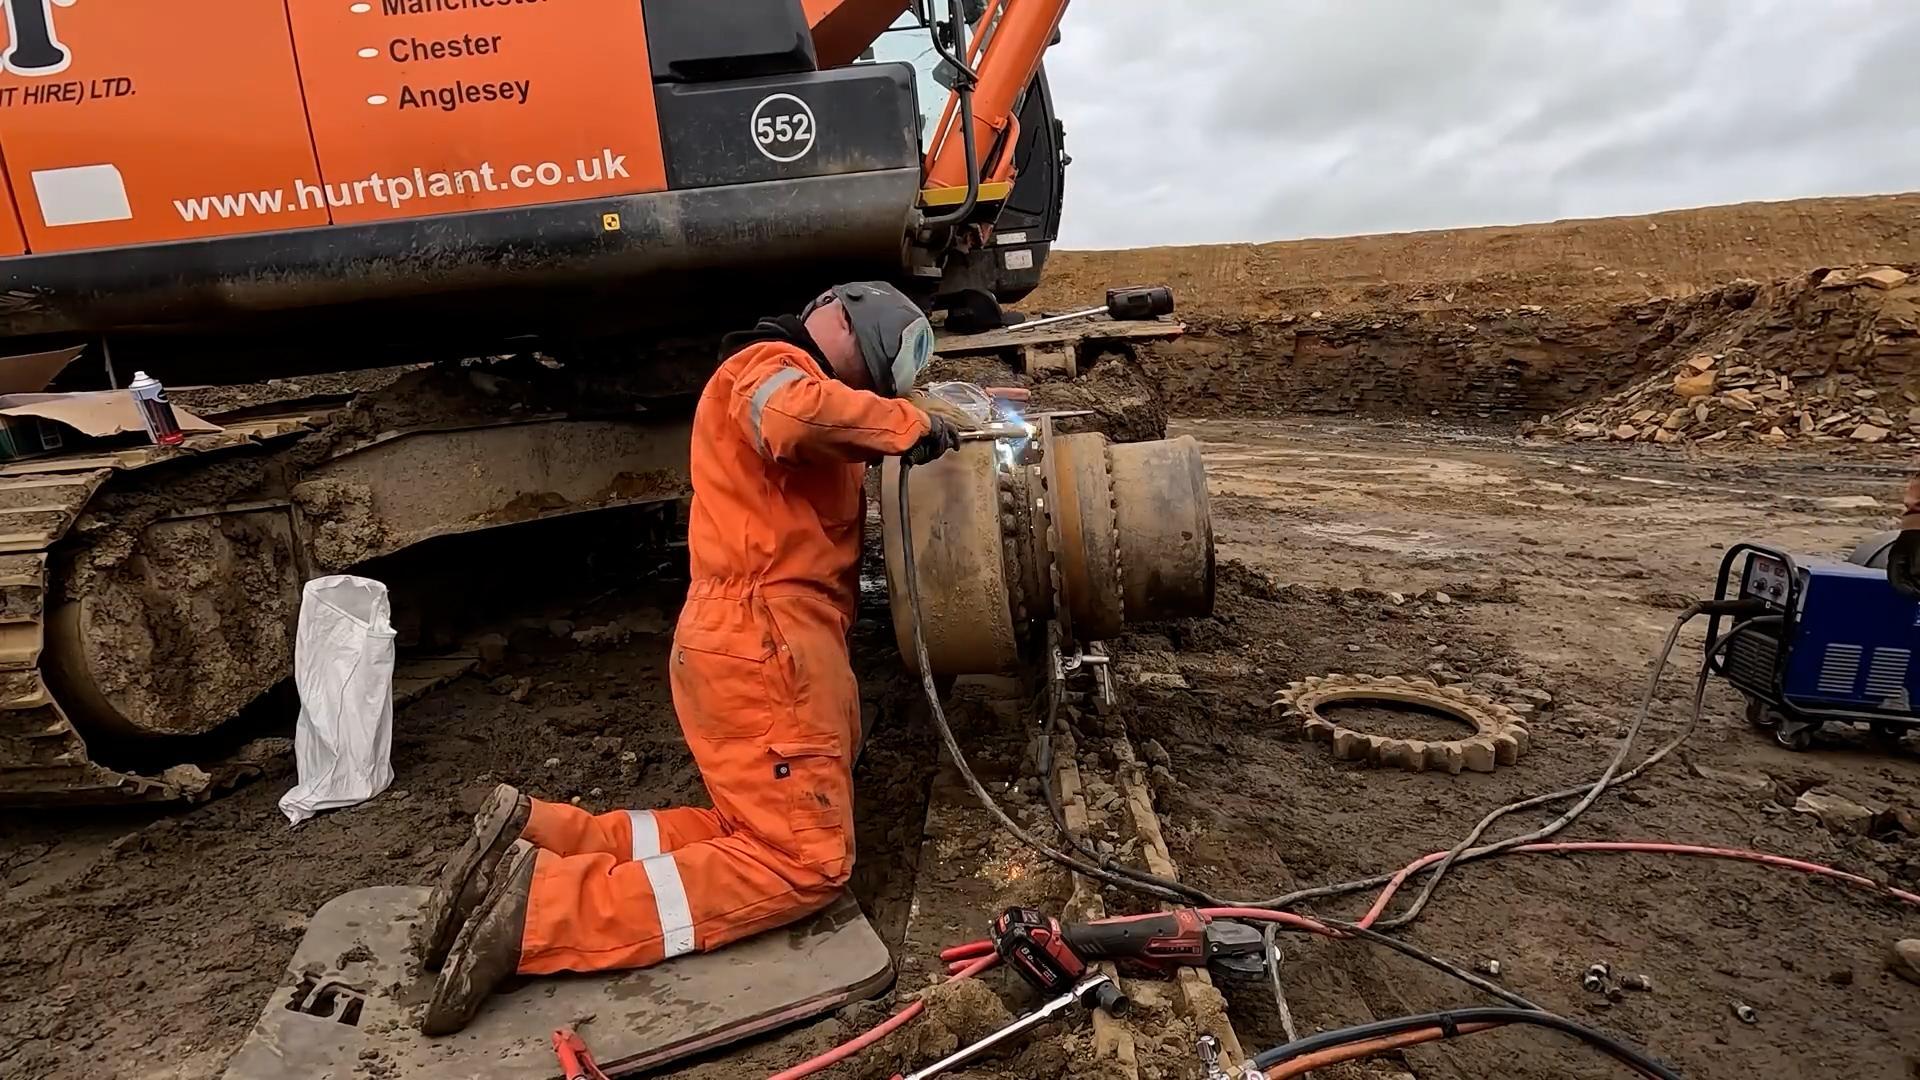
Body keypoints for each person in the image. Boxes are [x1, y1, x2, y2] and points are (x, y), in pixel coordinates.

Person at [416, 282, 963, 1034]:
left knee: (747, 831)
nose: (864, 388)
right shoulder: (766, 367)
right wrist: (908, 422)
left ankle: (535, 838)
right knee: (803, 862)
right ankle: (543, 915)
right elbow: (794, 416)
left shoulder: (821, 399)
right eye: (867, 368)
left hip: (755, 638)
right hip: (767, 640)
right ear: (838, 316)